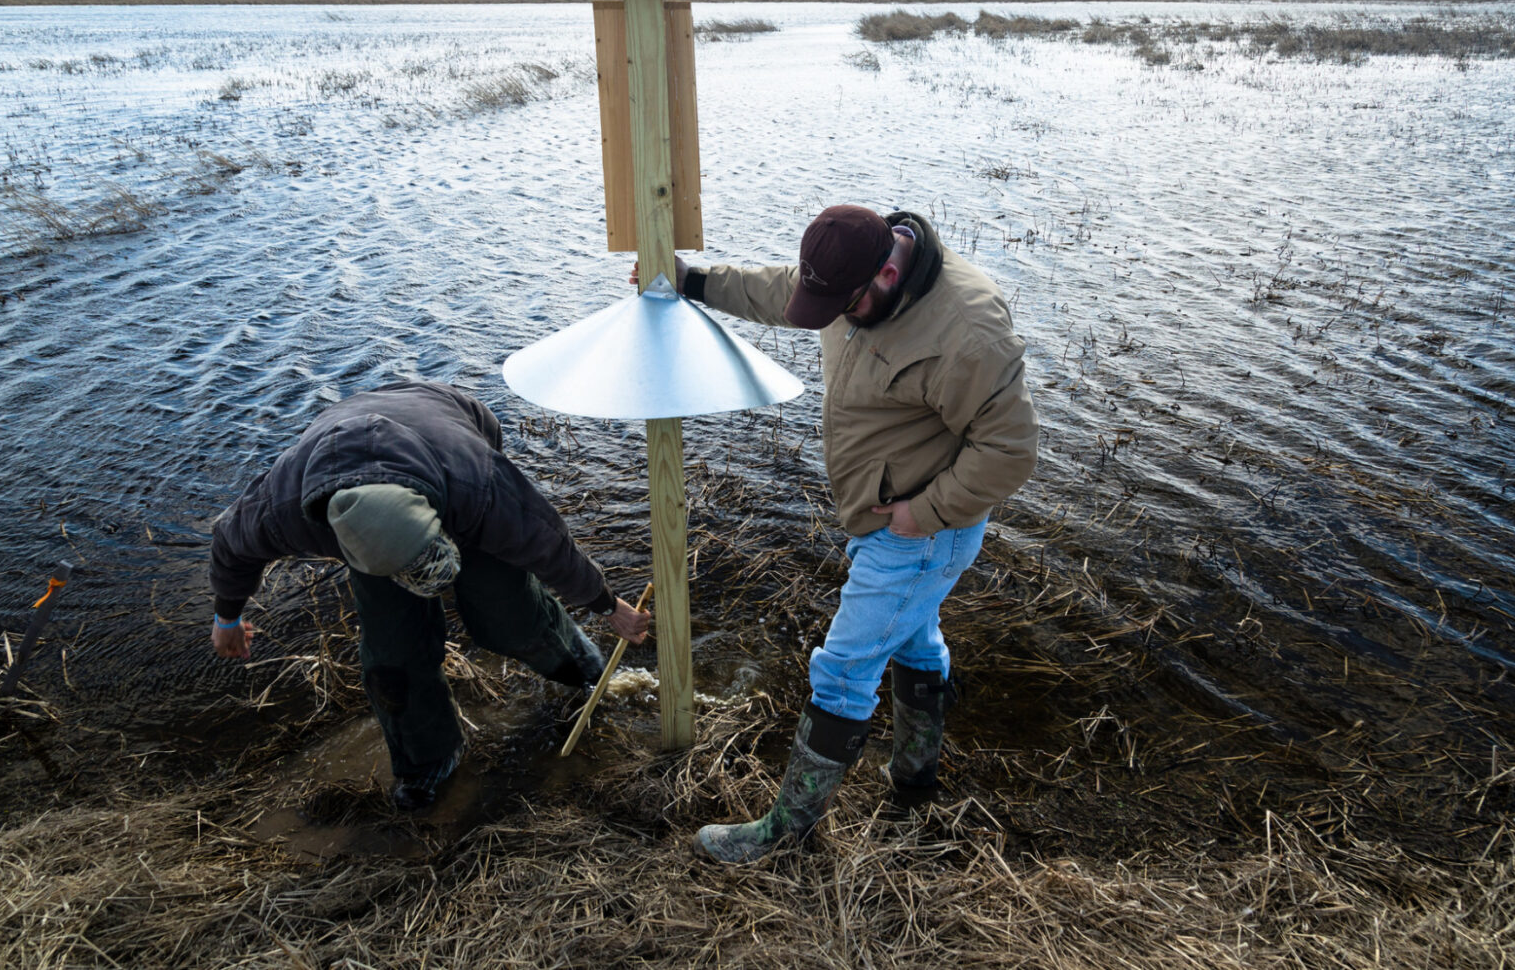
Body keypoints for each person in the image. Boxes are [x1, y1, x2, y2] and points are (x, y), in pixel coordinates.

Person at [637, 205, 1038, 862]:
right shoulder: (849, 267)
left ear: (886, 272)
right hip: (891, 521)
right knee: (913, 639)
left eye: (838, 303)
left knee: (842, 671)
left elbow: (1010, 450)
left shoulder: (967, 331)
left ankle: (784, 835)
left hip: (919, 534)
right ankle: (914, 779)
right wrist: (693, 282)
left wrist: (924, 513)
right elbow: (780, 290)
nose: (827, 314)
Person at [207, 380, 650, 810]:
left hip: (445, 430)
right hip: (360, 489)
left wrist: (607, 604)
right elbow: (228, 545)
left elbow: (547, 542)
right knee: (393, 652)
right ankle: (429, 761)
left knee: (508, 614)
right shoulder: (281, 511)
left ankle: (586, 674)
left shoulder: (477, 485)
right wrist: (227, 618)